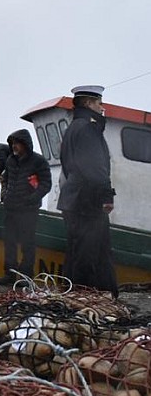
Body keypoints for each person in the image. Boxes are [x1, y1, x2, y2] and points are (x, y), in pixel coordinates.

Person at [57, 85, 118, 298]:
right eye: (99, 103)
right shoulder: (89, 129)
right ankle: (92, 299)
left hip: (73, 199)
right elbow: (96, 167)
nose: (102, 107)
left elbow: (67, 165)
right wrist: (106, 196)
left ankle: (74, 295)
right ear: (88, 103)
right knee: (93, 253)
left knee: (76, 253)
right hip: (88, 201)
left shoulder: (72, 129)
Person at [0, 129, 51, 285]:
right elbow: (5, 178)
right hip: (11, 209)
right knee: (9, 242)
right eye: (12, 143)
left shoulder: (38, 161)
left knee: (28, 243)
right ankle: (10, 274)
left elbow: (46, 184)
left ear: (25, 144)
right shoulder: (10, 161)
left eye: (17, 143)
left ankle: (26, 276)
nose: (14, 146)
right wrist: (5, 194)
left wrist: (31, 199)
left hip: (28, 211)